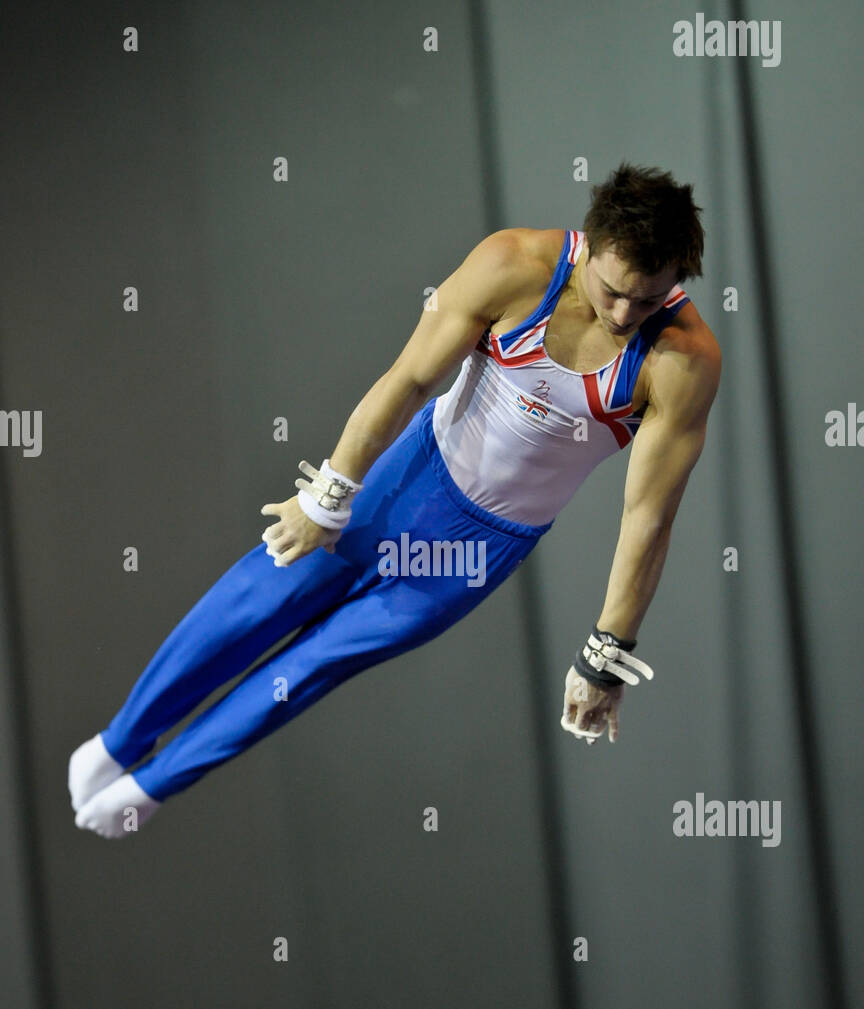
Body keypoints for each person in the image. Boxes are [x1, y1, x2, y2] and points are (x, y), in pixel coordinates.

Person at [68, 162, 721, 838]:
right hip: (408, 476)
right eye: (613, 292)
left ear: (677, 281)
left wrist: (604, 654)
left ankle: (151, 785)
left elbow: (648, 514)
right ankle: (120, 743)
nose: (623, 315)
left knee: (318, 663)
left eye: (646, 302)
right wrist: (330, 492)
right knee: (262, 597)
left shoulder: (683, 361)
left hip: (481, 549)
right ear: (587, 245)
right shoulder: (515, 266)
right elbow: (410, 377)